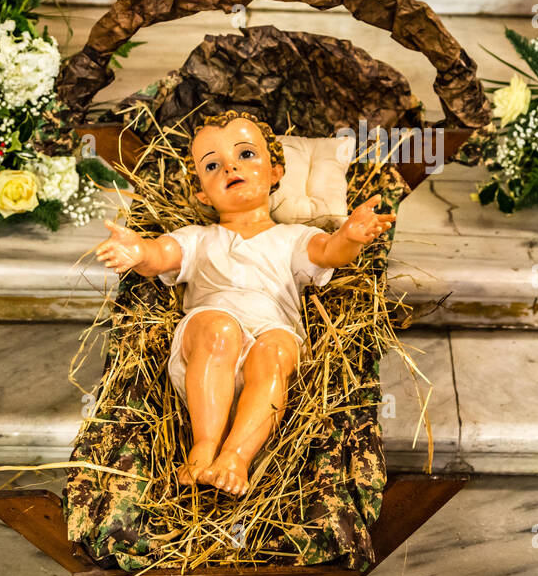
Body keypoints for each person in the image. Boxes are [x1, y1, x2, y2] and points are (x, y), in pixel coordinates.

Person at [94, 111, 395, 496]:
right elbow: (161, 253)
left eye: (246, 155)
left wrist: (350, 236)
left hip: (271, 335)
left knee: (277, 350)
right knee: (220, 329)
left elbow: (328, 251)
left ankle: (235, 455)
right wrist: (137, 249)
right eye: (213, 165)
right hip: (208, 346)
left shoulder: (293, 237)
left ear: (275, 172)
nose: (230, 167)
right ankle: (203, 447)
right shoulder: (199, 238)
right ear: (202, 192)